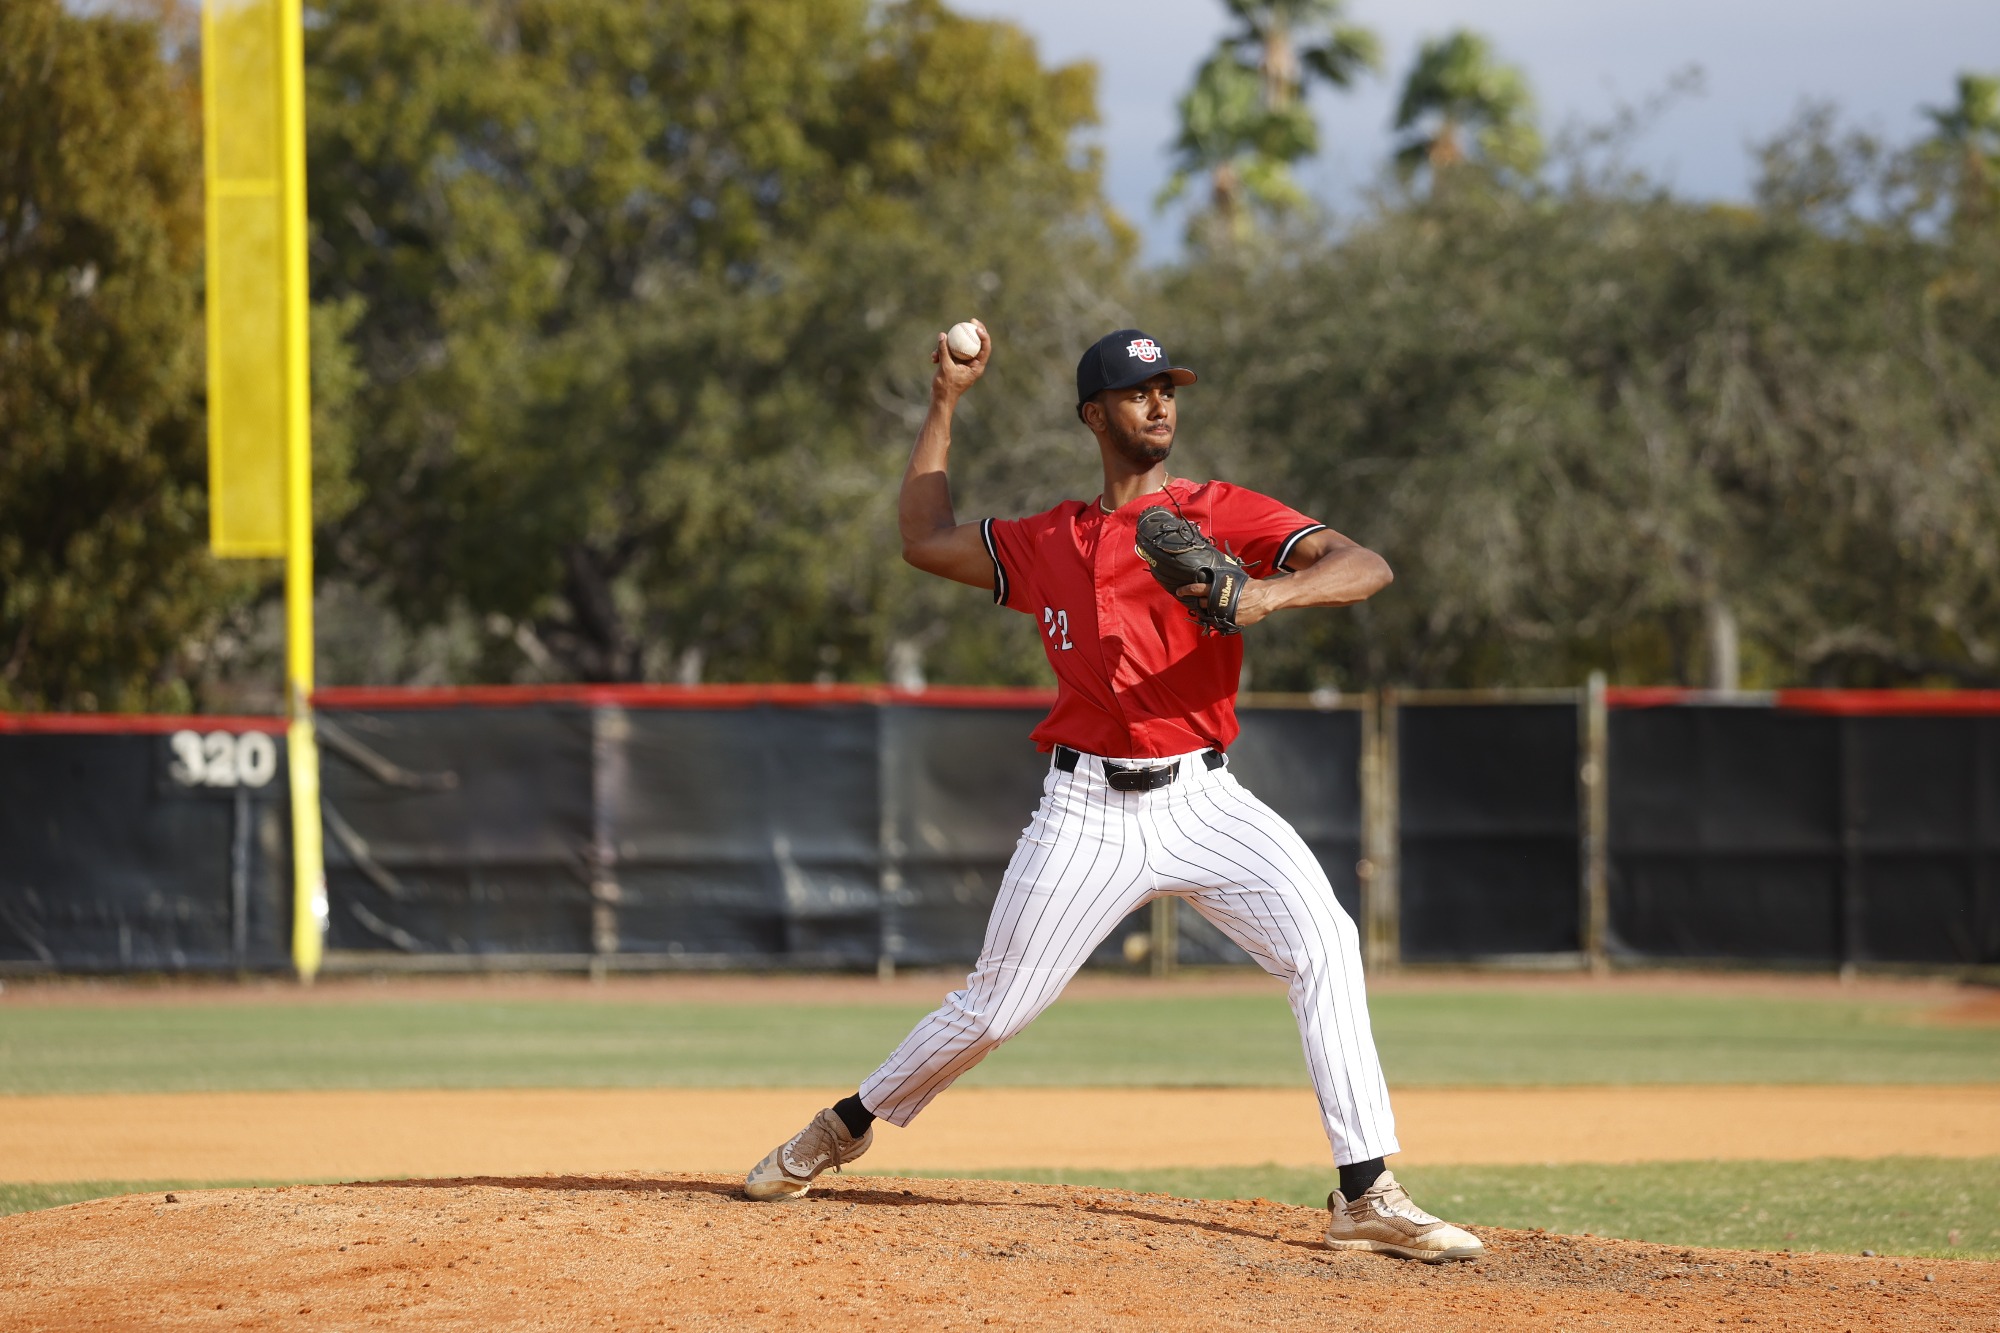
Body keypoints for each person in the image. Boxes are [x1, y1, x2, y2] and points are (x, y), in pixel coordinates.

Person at [742, 323, 1482, 1263]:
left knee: (1326, 943)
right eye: (1139, 391)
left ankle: (1365, 1190)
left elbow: (1364, 564)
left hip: (1208, 799)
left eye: (1169, 387)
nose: (1161, 403)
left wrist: (1266, 596)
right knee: (995, 1009)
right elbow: (923, 538)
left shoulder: (1220, 510)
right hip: (1086, 809)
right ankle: (845, 1124)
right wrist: (944, 399)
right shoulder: (1053, 538)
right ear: (1095, 413)